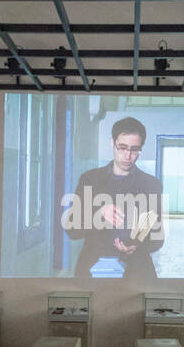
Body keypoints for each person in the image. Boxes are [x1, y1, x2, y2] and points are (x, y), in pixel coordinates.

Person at [63, 116, 164, 278]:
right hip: (92, 268)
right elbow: (72, 231)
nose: (128, 156)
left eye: (134, 149)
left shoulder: (152, 185)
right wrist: (98, 212)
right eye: (122, 147)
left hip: (136, 269)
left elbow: (158, 239)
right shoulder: (89, 179)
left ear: (140, 148)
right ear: (112, 143)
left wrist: (137, 245)